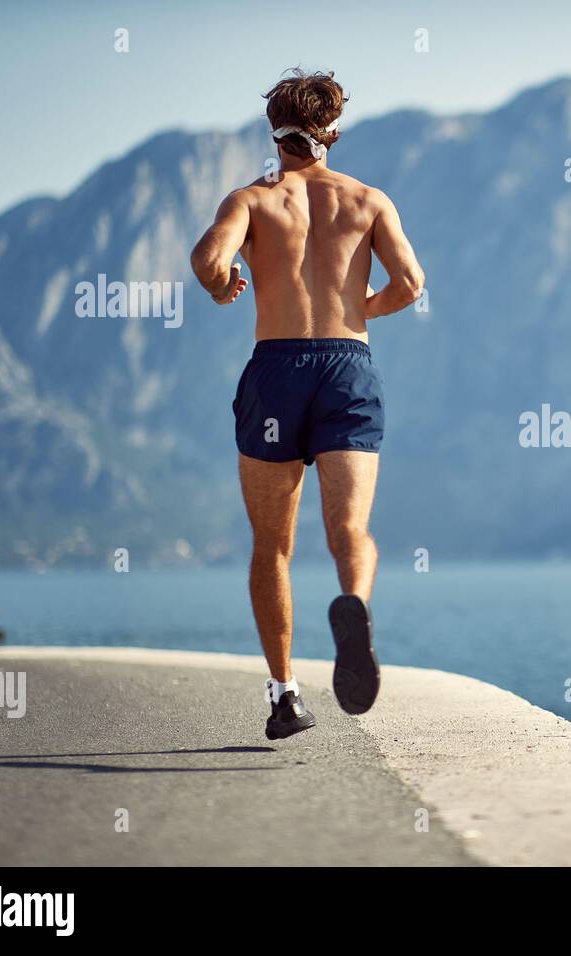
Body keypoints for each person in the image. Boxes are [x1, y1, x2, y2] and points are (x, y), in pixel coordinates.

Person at [190, 69, 425, 739]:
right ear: (333, 130)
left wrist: (222, 285)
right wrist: (358, 312)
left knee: (273, 545)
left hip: (276, 370)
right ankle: (353, 604)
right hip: (348, 367)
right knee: (349, 530)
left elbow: (208, 260)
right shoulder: (367, 200)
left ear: (274, 130)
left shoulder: (253, 200)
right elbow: (410, 282)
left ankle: (285, 695)